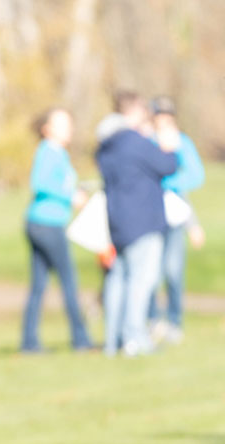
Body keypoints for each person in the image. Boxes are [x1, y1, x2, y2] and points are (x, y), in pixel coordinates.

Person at [95, 91, 178, 356]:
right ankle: (135, 338)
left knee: (118, 278)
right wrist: (168, 146)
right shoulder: (134, 141)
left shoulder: (106, 145)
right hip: (142, 219)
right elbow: (167, 165)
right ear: (133, 112)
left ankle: (113, 341)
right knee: (142, 280)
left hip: (117, 221)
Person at [20, 108, 94, 353]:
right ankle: (81, 339)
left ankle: (29, 342)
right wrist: (70, 196)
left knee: (39, 285)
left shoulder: (58, 154)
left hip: (43, 223)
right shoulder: (48, 151)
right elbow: (40, 183)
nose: (69, 128)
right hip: (47, 224)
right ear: (47, 128)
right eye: (62, 124)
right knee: (69, 282)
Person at [147, 96, 205, 344]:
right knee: (150, 271)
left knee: (173, 270)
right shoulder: (146, 141)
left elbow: (194, 176)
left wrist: (167, 181)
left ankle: (174, 321)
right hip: (147, 212)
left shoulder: (181, 143)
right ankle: (152, 318)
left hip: (173, 212)